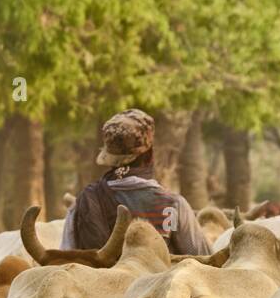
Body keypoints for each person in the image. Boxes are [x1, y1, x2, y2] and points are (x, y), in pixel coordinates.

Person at [62, 109, 211, 255]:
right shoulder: (173, 204)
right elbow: (204, 260)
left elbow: (69, 260)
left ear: (109, 157)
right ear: (149, 156)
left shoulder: (84, 201)